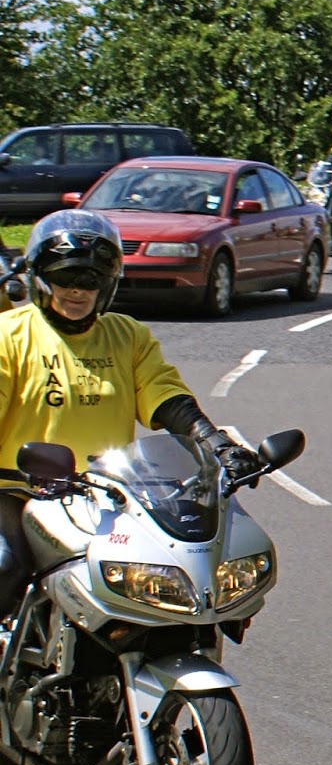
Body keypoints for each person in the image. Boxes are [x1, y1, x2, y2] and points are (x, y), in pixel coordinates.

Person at [0, 210, 264, 615]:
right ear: (39, 278)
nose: (77, 291)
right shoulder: (9, 335)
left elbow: (166, 395)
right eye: (65, 279)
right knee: (4, 565)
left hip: (107, 498)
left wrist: (215, 443)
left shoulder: (128, 336)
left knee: (181, 573)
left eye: (90, 281)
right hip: (19, 494)